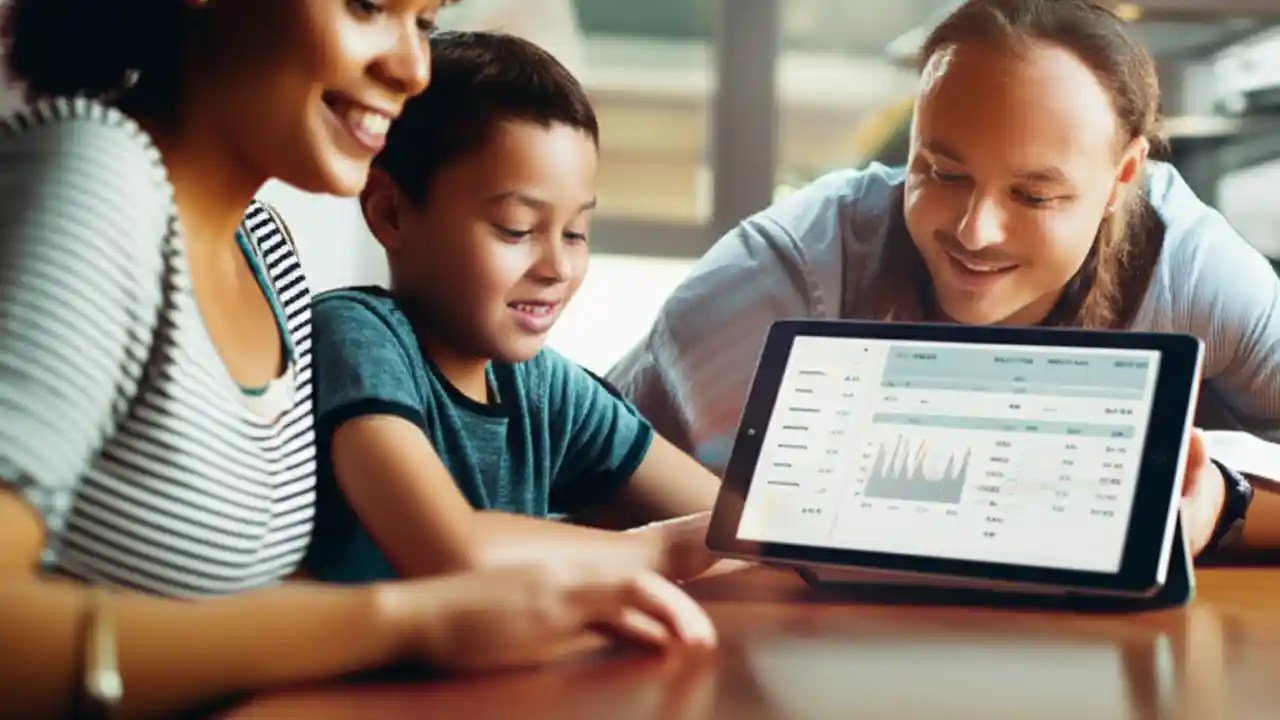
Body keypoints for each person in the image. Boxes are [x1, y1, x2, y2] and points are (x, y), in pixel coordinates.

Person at [0, 2, 712, 717]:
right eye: (369, 5)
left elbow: (225, 605)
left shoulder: (264, 251)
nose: (412, 69)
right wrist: (415, 620)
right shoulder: (96, 179)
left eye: (424, 22)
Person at [607, 0, 1280, 559]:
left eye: (1034, 196)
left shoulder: (1189, 268)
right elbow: (586, 476)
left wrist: (1226, 501)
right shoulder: (784, 276)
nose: (974, 231)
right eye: (942, 173)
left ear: (1123, 177)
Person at [305, 31, 723, 586]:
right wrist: (660, 550)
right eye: (516, 228)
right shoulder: (357, 339)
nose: (558, 267)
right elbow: (449, 551)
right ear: (391, 215)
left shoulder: (541, 389)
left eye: (576, 232)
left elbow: (734, 528)